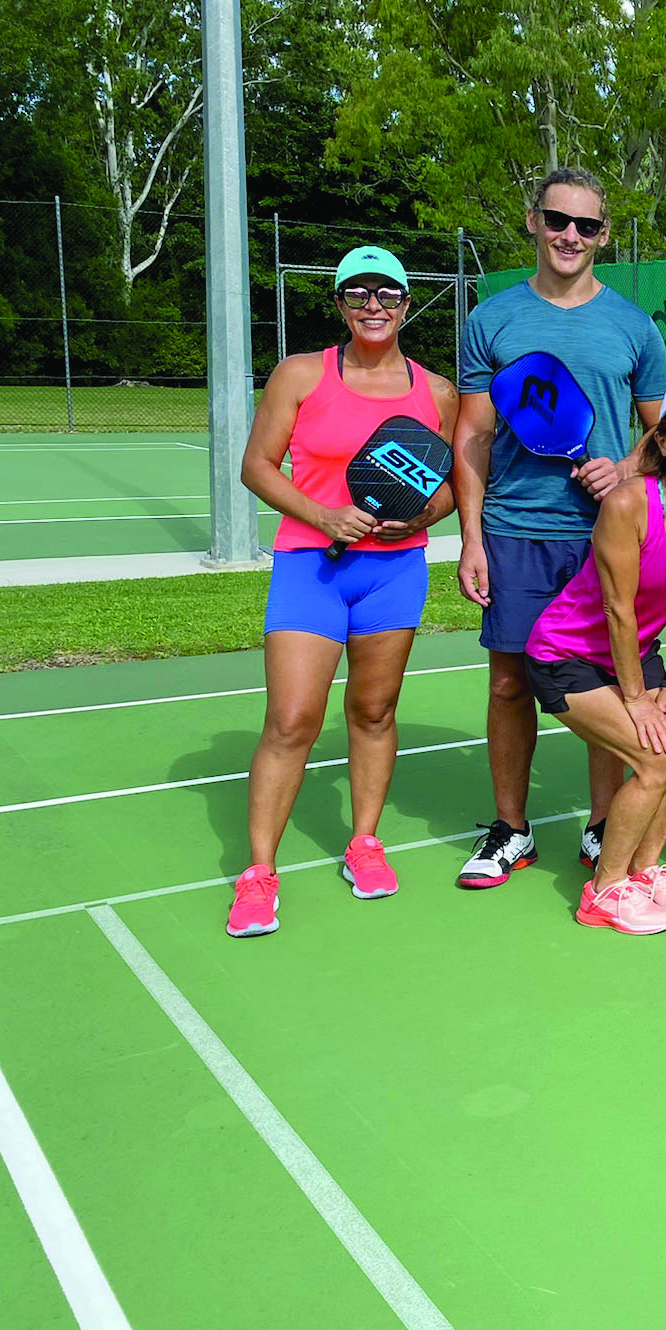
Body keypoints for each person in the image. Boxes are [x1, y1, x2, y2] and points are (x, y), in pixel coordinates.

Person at [228, 246, 458, 936]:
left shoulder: (437, 391)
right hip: (311, 566)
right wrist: (323, 515)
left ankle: (364, 842)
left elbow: (447, 484)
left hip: (395, 570)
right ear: (339, 304)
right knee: (292, 719)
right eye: (358, 293)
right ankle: (258, 875)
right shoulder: (301, 374)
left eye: (386, 293)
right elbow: (256, 466)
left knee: (374, 711)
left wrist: (423, 516)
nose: (373, 306)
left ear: (407, 303)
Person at [453, 168, 666, 890]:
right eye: (557, 220)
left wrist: (625, 468)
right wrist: (472, 538)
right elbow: (472, 436)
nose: (570, 235)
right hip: (515, 529)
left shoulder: (634, 326)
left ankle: (602, 822)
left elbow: (663, 432)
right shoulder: (492, 319)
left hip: (606, 536)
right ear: (533, 222)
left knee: (606, 680)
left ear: (603, 236)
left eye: (586, 225)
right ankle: (511, 829)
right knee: (510, 685)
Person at [523, 382, 666, 934]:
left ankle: (643, 873)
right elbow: (617, 608)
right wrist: (638, 700)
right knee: (656, 759)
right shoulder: (628, 503)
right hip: (564, 654)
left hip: (637, 654)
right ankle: (603, 891)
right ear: (662, 441)